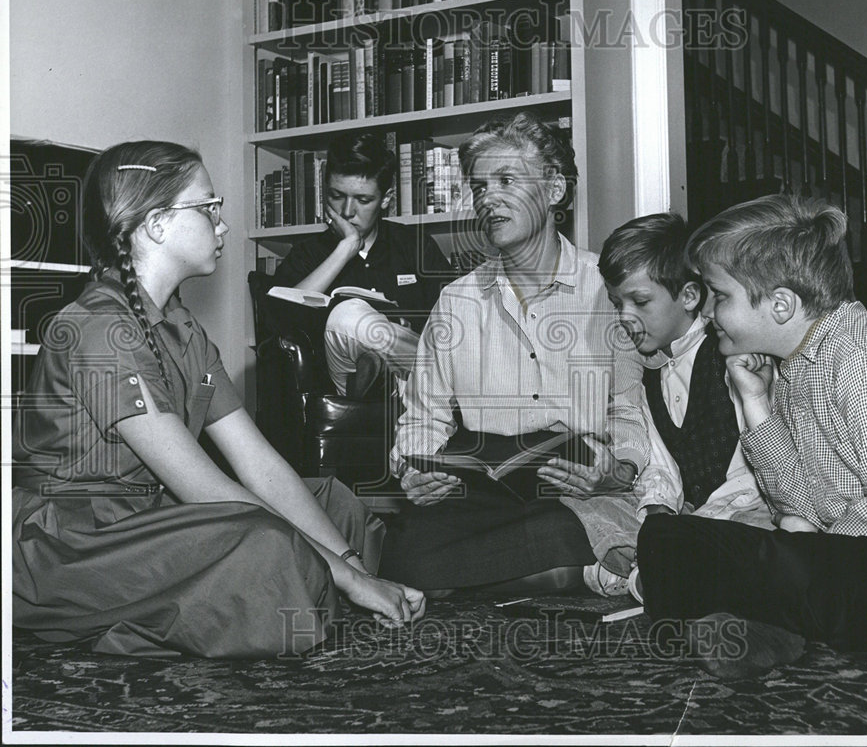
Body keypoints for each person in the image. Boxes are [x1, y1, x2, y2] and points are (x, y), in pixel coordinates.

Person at [12, 141, 425, 659]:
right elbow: (203, 487)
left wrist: (352, 567)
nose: (222, 224)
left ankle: (302, 594)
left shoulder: (184, 329)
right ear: (157, 224)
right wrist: (351, 580)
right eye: (208, 207)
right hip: (75, 541)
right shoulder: (97, 328)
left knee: (333, 503)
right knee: (265, 543)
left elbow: (260, 464)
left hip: (147, 515)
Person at [637, 194, 867, 679]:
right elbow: (796, 504)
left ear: (781, 305)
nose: (706, 314)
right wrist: (756, 403)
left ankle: (760, 618)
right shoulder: (796, 368)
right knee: (668, 536)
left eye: (719, 296)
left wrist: (808, 538)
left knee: (770, 560)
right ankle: (766, 621)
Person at [378, 112, 650, 595]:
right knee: (404, 552)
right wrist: (415, 470)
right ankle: (566, 574)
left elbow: (628, 409)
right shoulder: (456, 301)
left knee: (562, 527)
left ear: (555, 190)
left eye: (506, 180)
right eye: (479, 187)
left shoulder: (605, 289)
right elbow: (423, 417)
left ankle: (527, 571)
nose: (488, 199)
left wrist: (617, 472)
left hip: (575, 486)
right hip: (486, 491)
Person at [597, 213, 771, 599]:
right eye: (617, 303)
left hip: (747, 508)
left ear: (689, 296)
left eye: (640, 302)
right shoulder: (646, 369)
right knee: (597, 524)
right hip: (691, 517)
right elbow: (660, 463)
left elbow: (753, 475)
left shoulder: (731, 355)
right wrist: (658, 511)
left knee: (749, 543)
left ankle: (659, 576)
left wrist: (693, 525)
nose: (625, 317)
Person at [272, 132, 455, 397]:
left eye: (363, 200)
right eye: (337, 196)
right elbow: (281, 323)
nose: (347, 211)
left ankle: (392, 380)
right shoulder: (307, 254)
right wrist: (345, 249)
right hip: (343, 382)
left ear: (386, 199)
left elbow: (453, 317)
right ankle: (398, 381)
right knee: (346, 317)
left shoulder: (414, 244)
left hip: (413, 370)